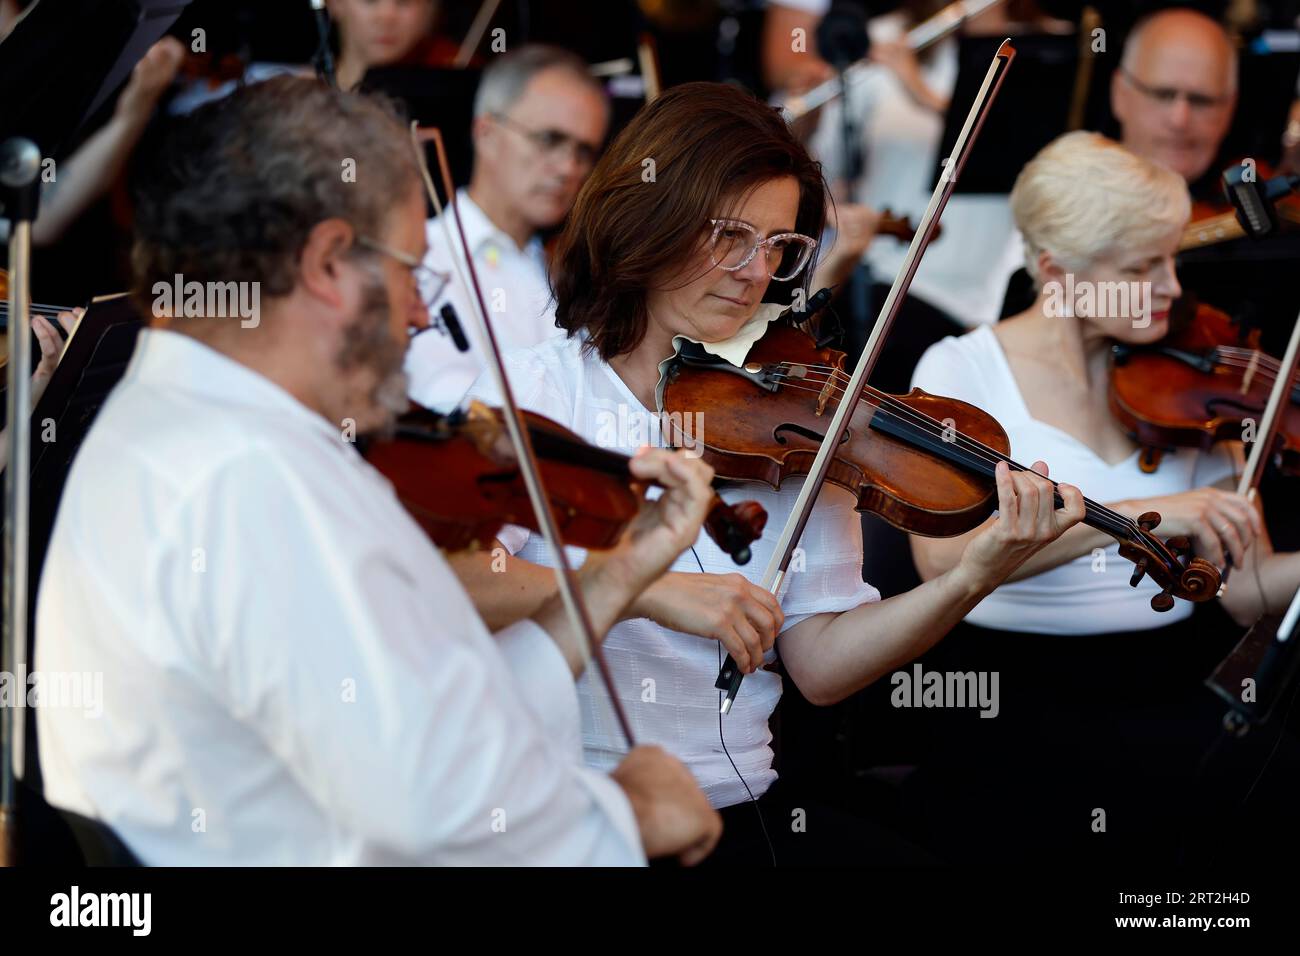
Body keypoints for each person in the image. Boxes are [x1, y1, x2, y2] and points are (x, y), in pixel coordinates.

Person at [35, 76, 724, 866]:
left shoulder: (193, 420)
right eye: (411, 272)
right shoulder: (252, 477)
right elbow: (438, 811)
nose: (422, 314)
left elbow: (430, 713)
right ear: (329, 262)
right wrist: (628, 817)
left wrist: (612, 578)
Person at [454, 81, 1085, 865]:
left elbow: (819, 665)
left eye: (779, 245)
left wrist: (970, 579)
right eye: (729, 236)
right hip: (560, 814)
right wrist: (646, 589)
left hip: (741, 808)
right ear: (650, 217)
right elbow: (453, 581)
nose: (755, 272)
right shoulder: (529, 394)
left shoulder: (793, 419)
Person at [907, 130, 1300, 863]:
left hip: (1174, 685)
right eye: (1142, 267)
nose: (1173, 287)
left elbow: (1244, 589)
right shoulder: (961, 371)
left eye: (1170, 259)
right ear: (1058, 271)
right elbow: (941, 562)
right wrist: (1143, 521)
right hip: (1014, 699)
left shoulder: (1193, 380)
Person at [405, 44, 609, 413]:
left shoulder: (571, 274)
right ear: (486, 133)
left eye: (583, 152)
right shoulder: (422, 255)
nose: (568, 168)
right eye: (550, 140)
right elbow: (441, 394)